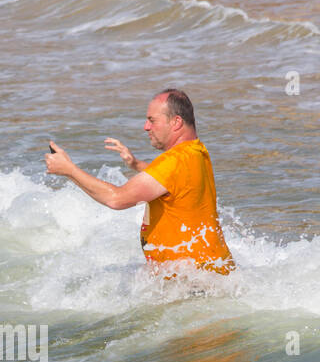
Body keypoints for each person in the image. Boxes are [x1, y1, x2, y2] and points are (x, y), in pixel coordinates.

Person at [44, 88, 234, 274]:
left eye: (152, 120)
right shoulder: (196, 151)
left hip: (193, 282)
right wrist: (135, 164)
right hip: (210, 272)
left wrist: (69, 170)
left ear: (176, 122)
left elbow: (117, 199)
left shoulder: (173, 162)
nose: (146, 127)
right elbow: (171, 183)